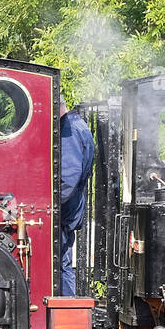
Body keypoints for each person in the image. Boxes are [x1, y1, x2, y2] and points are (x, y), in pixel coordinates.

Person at [59, 99, 96, 296]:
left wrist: (50, 207)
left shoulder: (68, 130)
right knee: (63, 262)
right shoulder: (78, 125)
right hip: (71, 207)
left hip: (64, 209)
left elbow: (68, 177)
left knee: (61, 263)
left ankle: (65, 314)